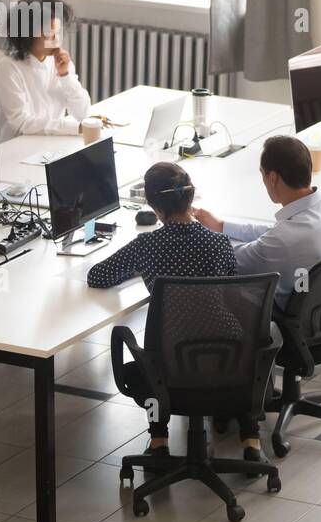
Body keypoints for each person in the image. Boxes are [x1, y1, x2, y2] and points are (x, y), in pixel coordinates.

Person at [86, 163, 261, 460]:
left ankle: (159, 441)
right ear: (190, 199)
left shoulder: (147, 245)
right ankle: (251, 439)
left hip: (170, 361)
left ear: (153, 205)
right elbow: (233, 294)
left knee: (153, 348)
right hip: (227, 358)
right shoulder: (218, 243)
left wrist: (137, 268)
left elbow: (97, 276)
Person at [194, 135, 321, 310]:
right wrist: (222, 226)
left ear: (272, 178)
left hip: (293, 319)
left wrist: (195, 233)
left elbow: (228, 260)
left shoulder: (285, 240)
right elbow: (275, 233)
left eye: (262, 174)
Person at [0, 0, 96, 139]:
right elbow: (22, 122)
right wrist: (74, 128)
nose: (56, 40)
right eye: (49, 33)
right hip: (18, 146)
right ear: (28, 35)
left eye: (58, 32)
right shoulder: (9, 68)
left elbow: (83, 113)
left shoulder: (60, 63)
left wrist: (65, 76)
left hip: (52, 143)